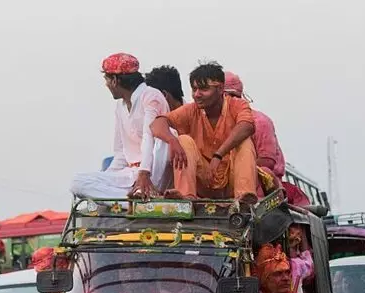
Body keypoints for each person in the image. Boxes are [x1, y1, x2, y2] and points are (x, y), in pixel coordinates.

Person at [150, 62, 258, 203]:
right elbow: (157, 124)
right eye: (194, 89)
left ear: (220, 88)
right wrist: (172, 141)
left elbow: (247, 126)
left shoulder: (237, 105)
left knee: (244, 142)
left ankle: (244, 197)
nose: (197, 95)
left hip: (231, 180)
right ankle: (186, 196)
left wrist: (218, 155)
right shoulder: (191, 110)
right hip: (204, 179)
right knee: (183, 140)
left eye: (203, 89)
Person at [71, 53, 172, 199]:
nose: (106, 85)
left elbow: (148, 136)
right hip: (130, 175)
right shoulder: (120, 106)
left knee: (162, 139)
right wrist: (107, 178)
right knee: (78, 183)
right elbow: (121, 153)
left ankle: (142, 195)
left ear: (114, 80)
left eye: (106, 79)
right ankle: (133, 200)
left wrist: (144, 172)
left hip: (152, 172)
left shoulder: (151, 96)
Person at [223, 71, 286, 193]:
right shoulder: (208, 122)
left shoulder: (260, 122)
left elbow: (267, 162)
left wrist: (237, 174)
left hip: (259, 184)